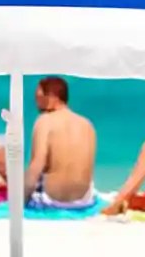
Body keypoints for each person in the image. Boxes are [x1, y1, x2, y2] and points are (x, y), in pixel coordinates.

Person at [25, 76, 97, 207]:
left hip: (51, 202)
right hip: (84, 201)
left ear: (52, 96)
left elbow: (37, 165)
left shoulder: (44, 121)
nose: (37, 102)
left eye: (39, 97)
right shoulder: (87, 124)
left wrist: (19, 201)